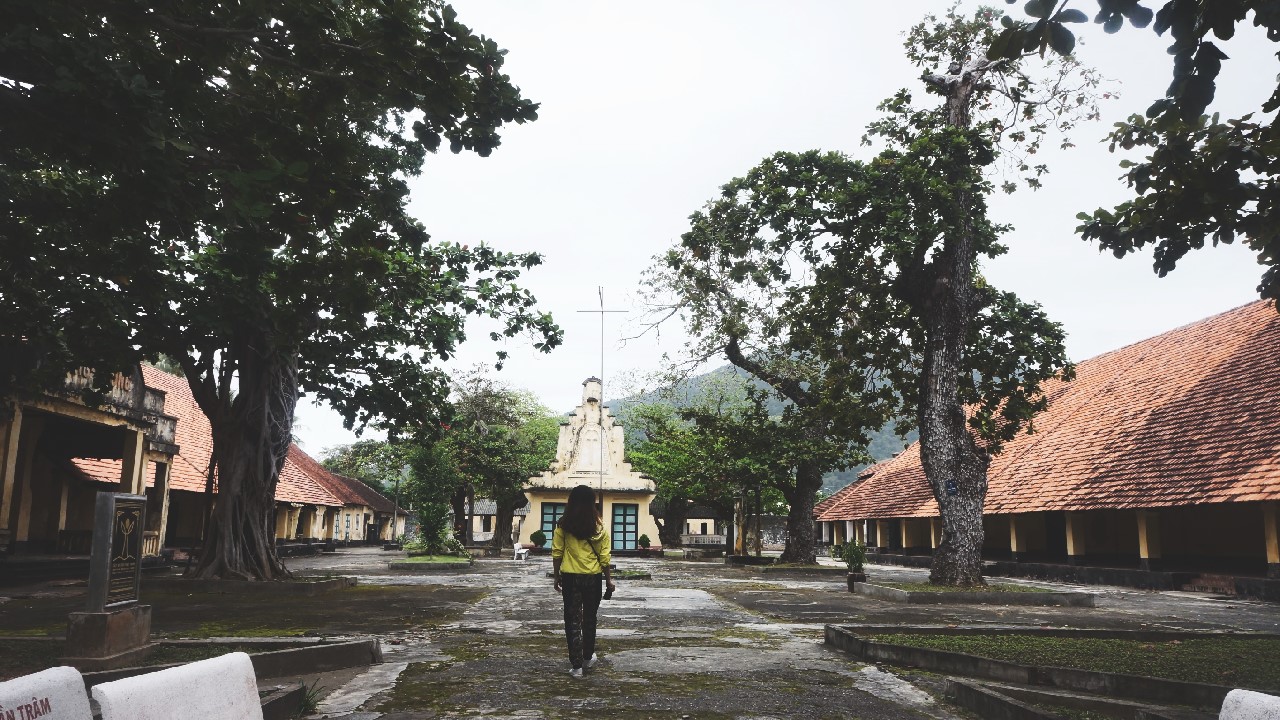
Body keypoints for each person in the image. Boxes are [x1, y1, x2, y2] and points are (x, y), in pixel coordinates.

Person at [551, 484, 616, 678]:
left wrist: (556, 576)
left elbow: (557, 552)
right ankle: (588, 656)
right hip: (593, 578)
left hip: (571, 578)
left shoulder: (564, 525)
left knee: (572, 620)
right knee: (589, 618)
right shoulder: (600, 526)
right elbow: (605, 557)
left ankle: (576, 666)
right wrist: (609, 580)